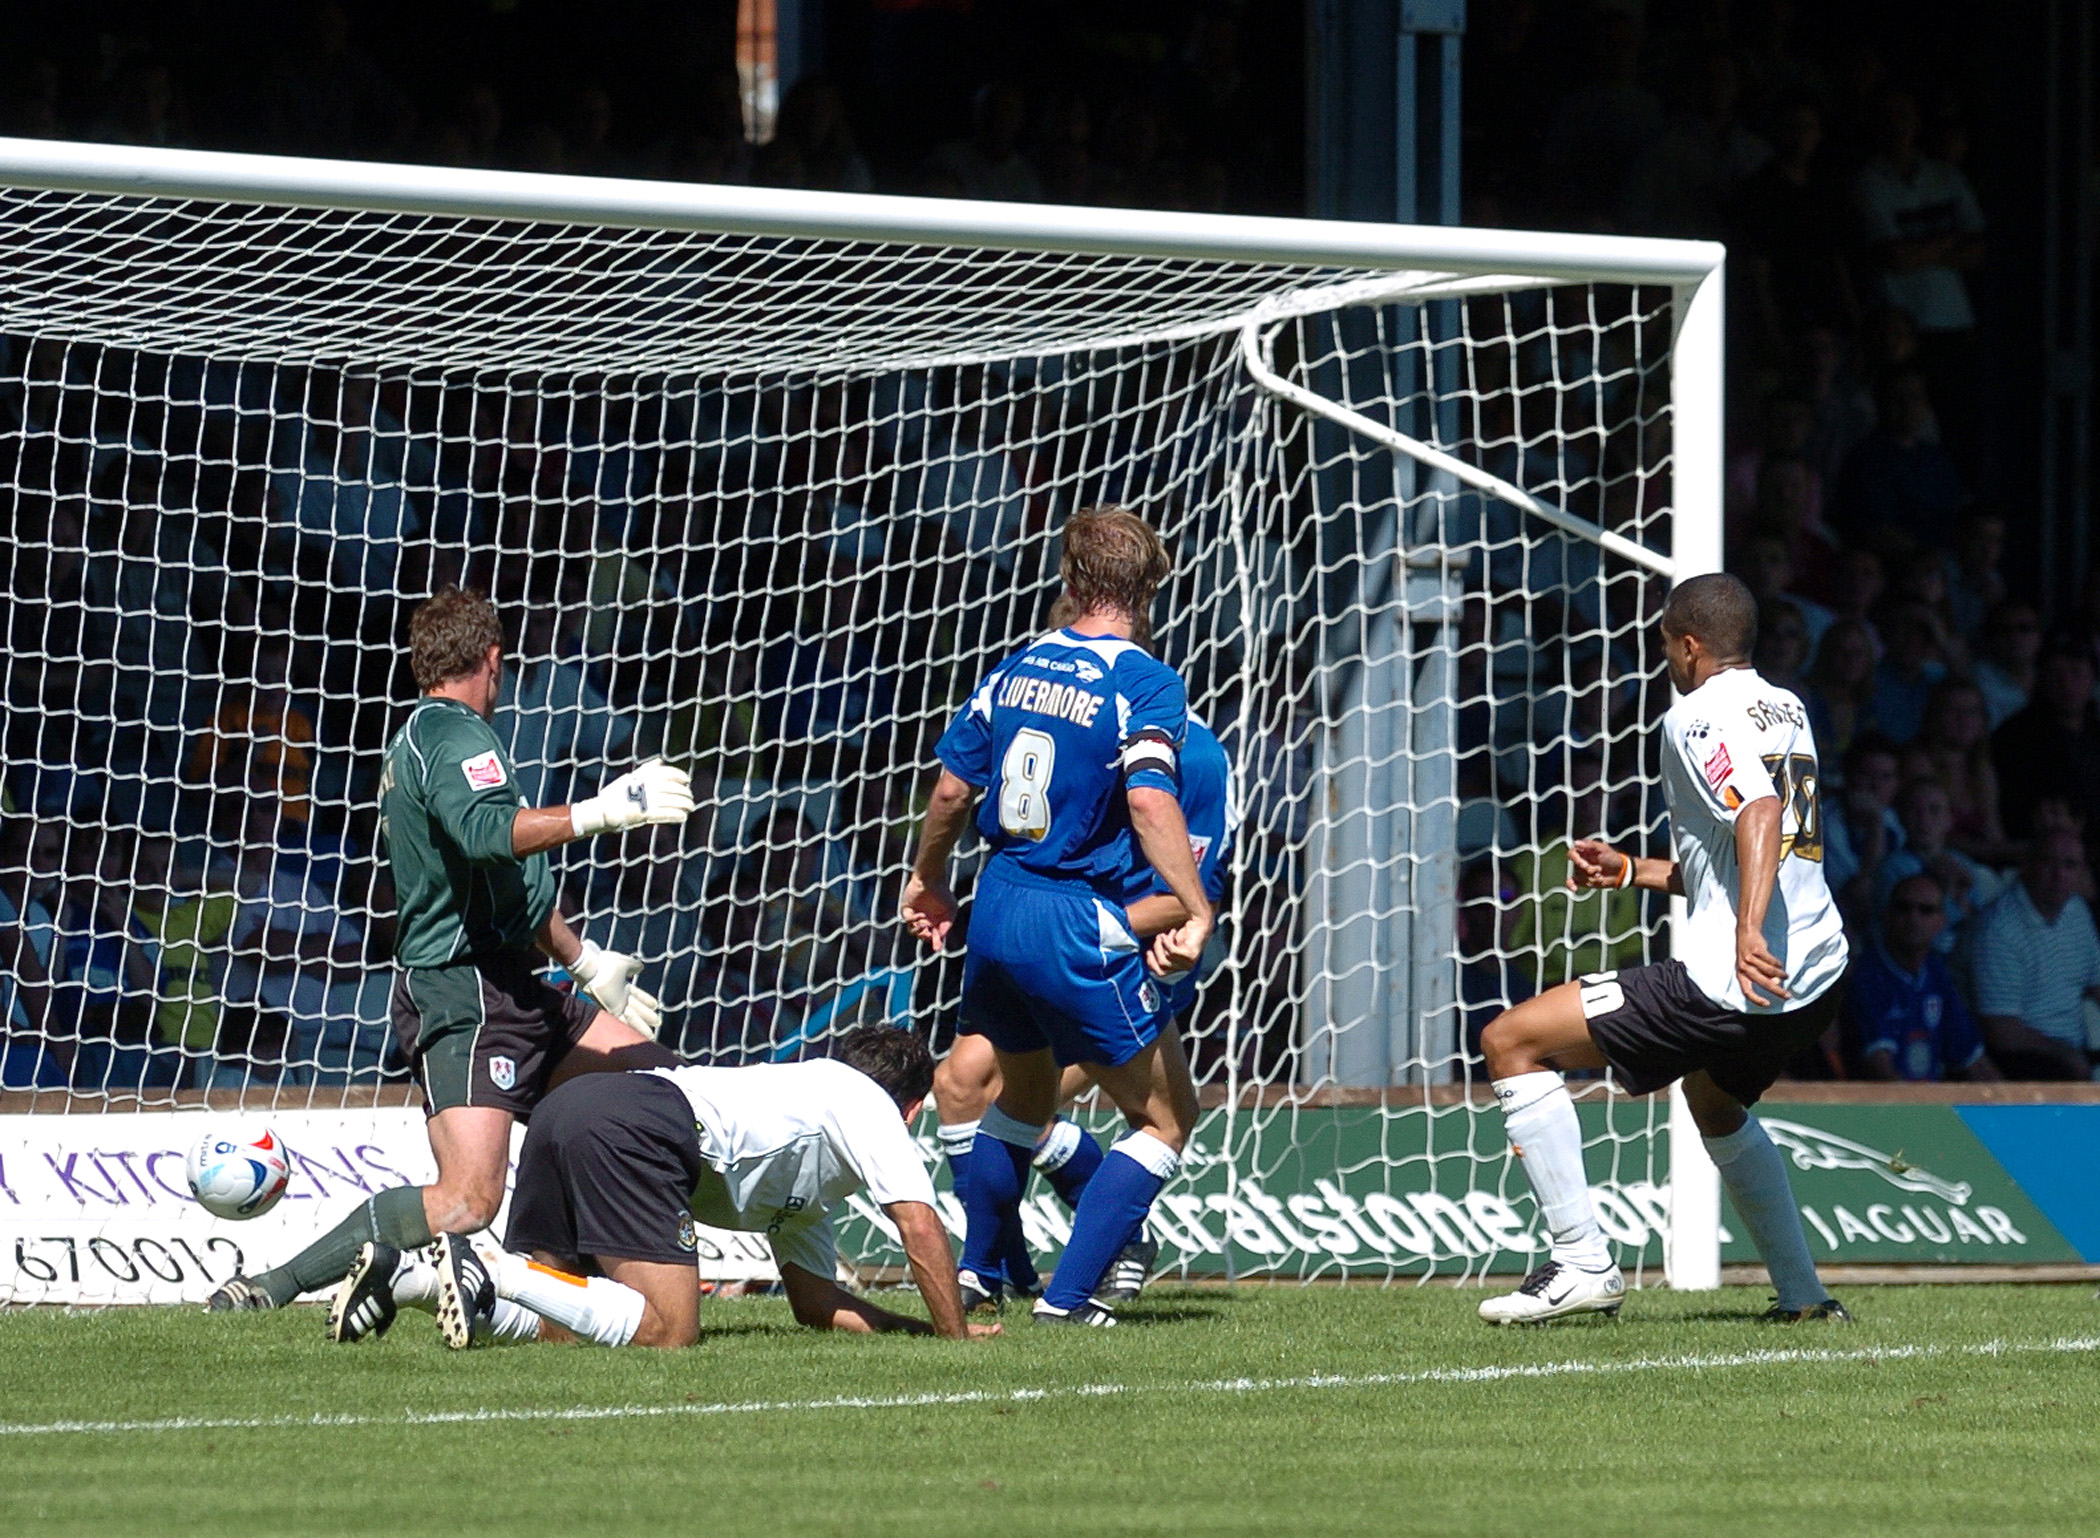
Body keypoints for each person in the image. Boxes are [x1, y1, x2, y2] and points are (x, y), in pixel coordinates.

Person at [207, 587, 697, 1322]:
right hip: (466, 995)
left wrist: (585, 962)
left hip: (514, 984)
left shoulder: (429, 738)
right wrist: (607, 810)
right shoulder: (453, 735)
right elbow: (485, 835)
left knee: (667, 1093)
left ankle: (642, 1267)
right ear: (493, 660)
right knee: (467, 1199)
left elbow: (506, 880)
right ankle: (274, 1288)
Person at [1474, 573, 1850, 1325]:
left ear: (1687, 645)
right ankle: (1806, 1298)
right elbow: (1767, 847)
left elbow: (1762, 814)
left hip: (1731, 981)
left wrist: (1745, 930)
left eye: (1664, 646)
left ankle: (1582, 1260)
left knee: (1509, 1041)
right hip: (1819, 972)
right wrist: (1634, 870)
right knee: (1712, 1097)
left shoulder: (1697, 716)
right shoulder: (1788, 706)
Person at [902, 506, 1213, 1327]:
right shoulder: (1144, 680)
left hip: (998, 899)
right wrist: (1195, 904)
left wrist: (929, 879)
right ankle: (1070, 1301)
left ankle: (978, 1273)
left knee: (1018, 1103)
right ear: (1151, 589)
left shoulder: (1015, 668)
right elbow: (1149, 798)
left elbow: (949, 791)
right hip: (1073, 914)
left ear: (1070, 582)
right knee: (1165, 1117)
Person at [329, 1027, 992, 1349]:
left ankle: (411, 1280)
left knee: (563, 1330)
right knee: (669, 1331)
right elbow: (921, 1227)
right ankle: (488, 1267)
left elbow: (814, 1304)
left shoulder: (811, 1133)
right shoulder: (862, 1099)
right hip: (638, 1124)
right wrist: (958, 1340)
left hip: (572, 1107)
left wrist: (920, 1331)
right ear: (910, 1108)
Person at [932, 713, 1236, 1311]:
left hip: (1129, 954)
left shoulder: (1193, 755)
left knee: (1026, 1101)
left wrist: (1094, 929)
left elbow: (1192, 892)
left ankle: (1075, 1269)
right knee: (959, 1083)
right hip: (1052, 937)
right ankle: (995, 1276)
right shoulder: (1056, 715)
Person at [1966, 829, 2100, 1080]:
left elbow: (2096, 986)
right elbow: (2002, 1032)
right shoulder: (1999, 928)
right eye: (2048, 861)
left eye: (2070, 865)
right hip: (2026, 1059)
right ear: (2027, 864)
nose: (2059, 875)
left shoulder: (2077, 911)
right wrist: (2065, 1054)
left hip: (2076, 1050)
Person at [1845, 873, 1997, 1082]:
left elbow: (1974, 1061)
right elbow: (1880, 1068)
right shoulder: (1868, 974)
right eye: (1903, 908)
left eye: (1925, 910)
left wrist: (2017, 1108)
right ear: (1887, 915)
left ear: (1941, 921)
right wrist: (1920, 1112)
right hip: (1884, 1107)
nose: (1913, 918)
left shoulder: (1936, 971)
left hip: (1928, 1102)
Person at [1991, 634, 2100, 842]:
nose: (2067, 684)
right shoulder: (2015, 736)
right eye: (2057, 674)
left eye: (2076, 674)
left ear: (2092, 679)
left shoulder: (2095, 733)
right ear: (2042, 678)